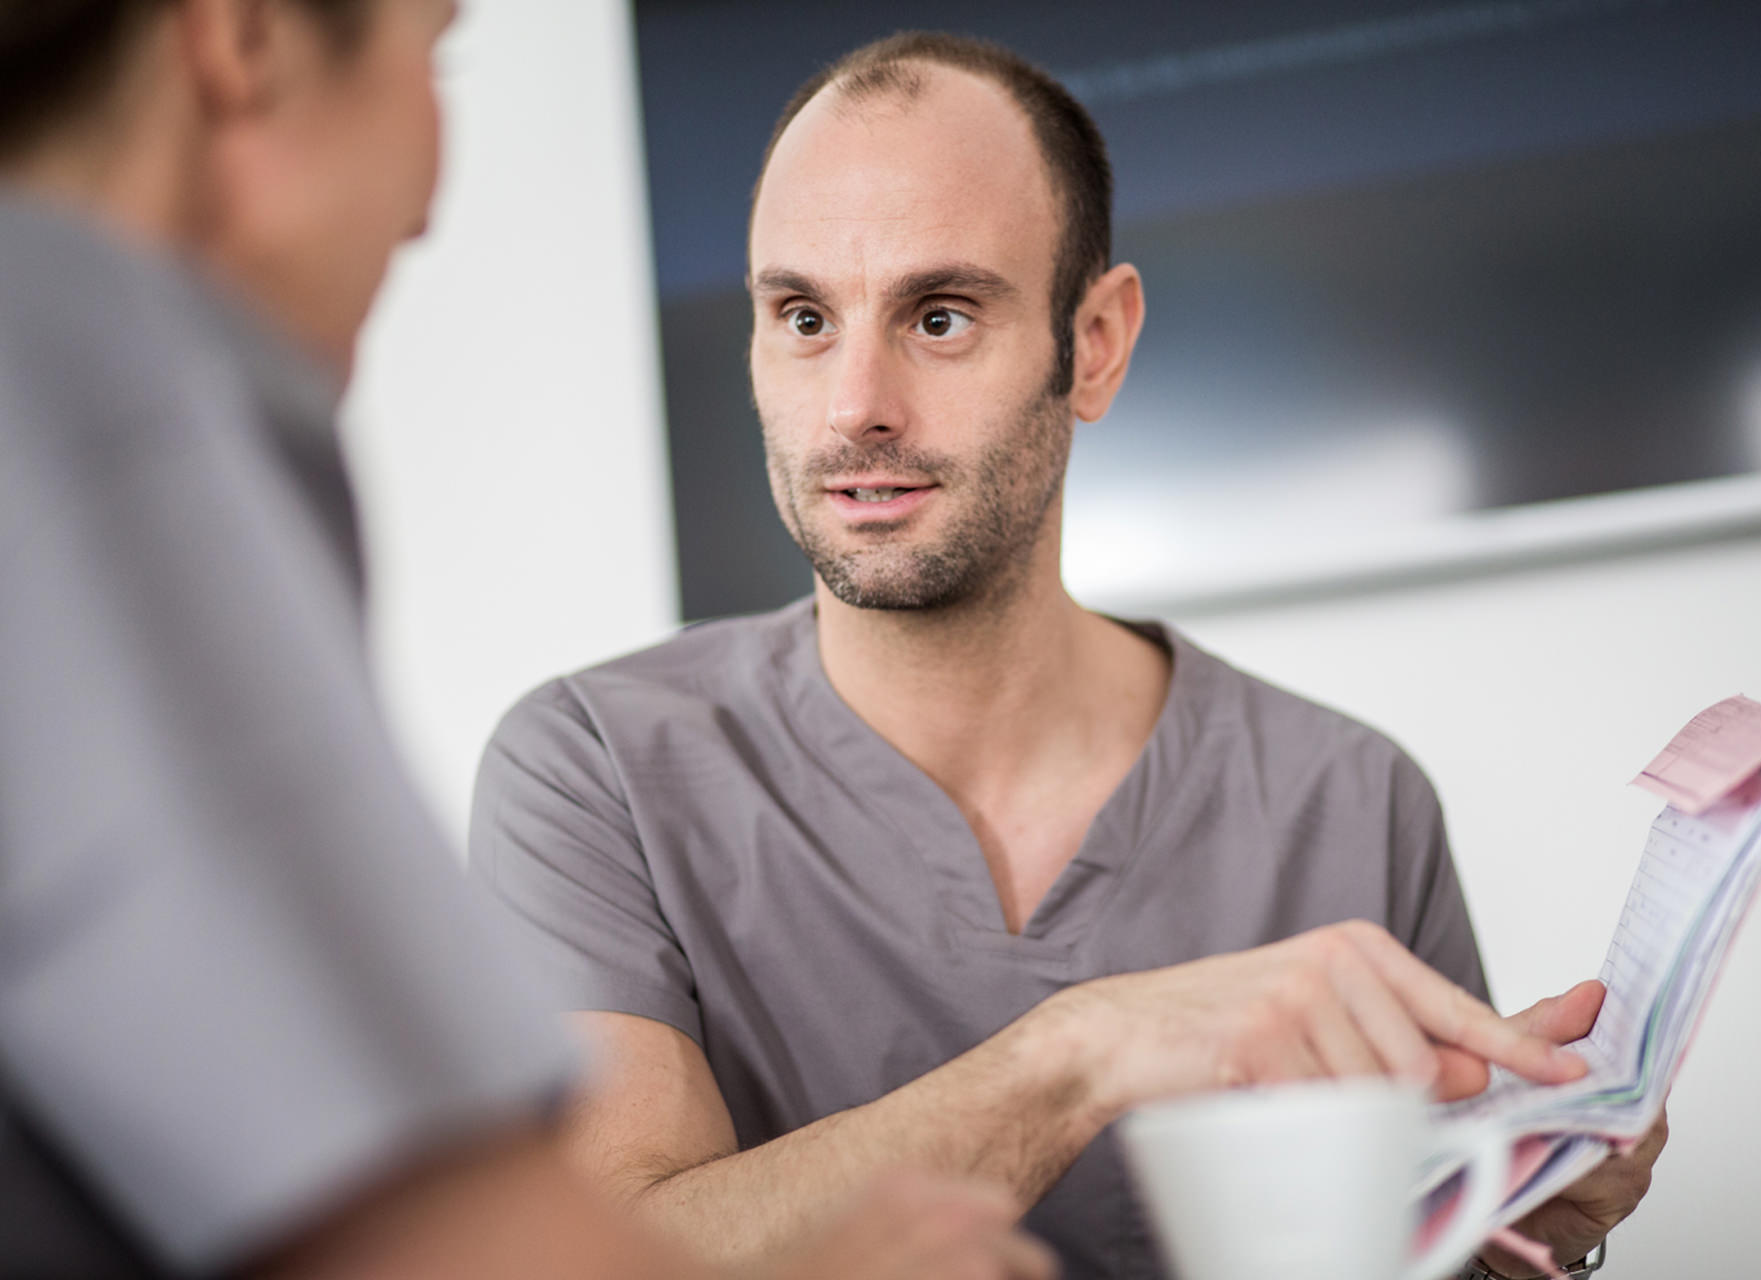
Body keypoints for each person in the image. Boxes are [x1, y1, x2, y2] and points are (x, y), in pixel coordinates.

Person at [470, 30, 1668, 1280]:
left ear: (1093, 343)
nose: (854, 404)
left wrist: (1520, 1229)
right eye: (805, 316)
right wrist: (1077, 1052)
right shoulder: (594, 771)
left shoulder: (1350, 803)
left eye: (939, 316)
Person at [0, 4, 1056, 1278]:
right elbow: (430, 1242)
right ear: (245, 41)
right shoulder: (79, 380)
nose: (434, 197)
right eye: (430, 54)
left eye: (941, 316)